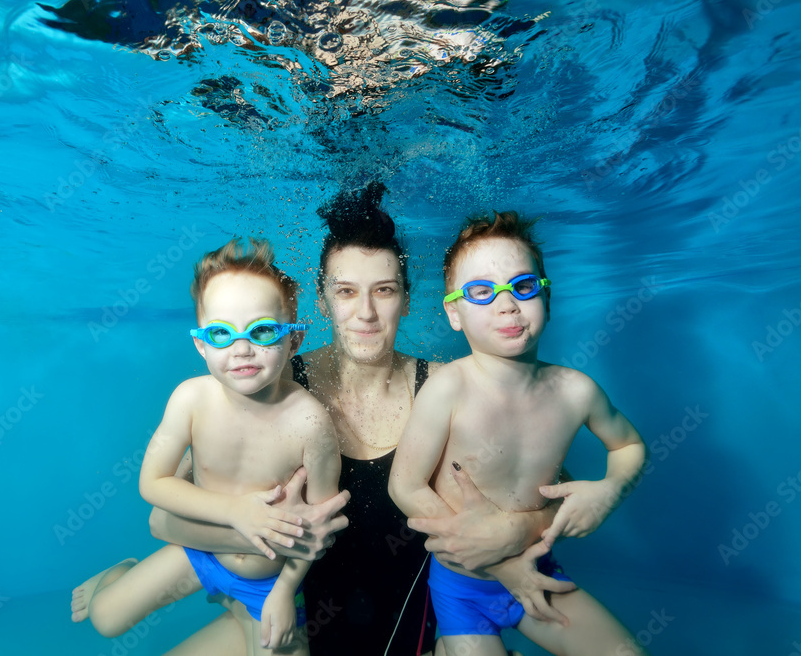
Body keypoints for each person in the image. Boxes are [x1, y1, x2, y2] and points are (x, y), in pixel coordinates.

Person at [151, 184, 569, 655]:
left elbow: (553, 487)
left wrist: (519, 531)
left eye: (384, 291)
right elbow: (165, 521)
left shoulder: (450, 387)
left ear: (407, 300)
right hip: (291, 631)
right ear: (322, 300)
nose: (365, 313)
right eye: (346, 292)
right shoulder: (273, 387)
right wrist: (256, 529)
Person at [389, 211, 649, 656]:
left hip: (539, 570)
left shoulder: (576, 391)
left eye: (523, 286)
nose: (507, 304)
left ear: (547, 298)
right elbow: (405, 485)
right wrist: (492, 555)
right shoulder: (448, 387)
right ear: (454, 312)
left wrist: (610, 490)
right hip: (463, 585)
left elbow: (629, 444)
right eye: (482, 291)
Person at [71, 238, 341, 654]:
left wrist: (286, 590)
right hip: (200, 553)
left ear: (294, 340)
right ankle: (120, 574)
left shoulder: (311, 423)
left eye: (263, 330)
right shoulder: (190, 400)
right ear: (200, 343)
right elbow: (152, 483)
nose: (241, 349)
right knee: (105, 620)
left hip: (265, 582)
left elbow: (319, 529)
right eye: (221, 333)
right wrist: (236, 511)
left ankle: (240, 619)